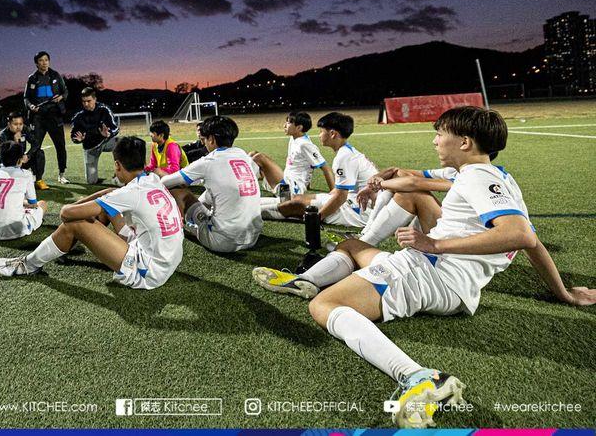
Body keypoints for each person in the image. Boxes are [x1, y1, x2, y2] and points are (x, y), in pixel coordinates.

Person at [251, 106, 596, 428]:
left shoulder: (477, 178)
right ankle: (306, 280)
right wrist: (564, 293)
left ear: (464, 142)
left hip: (432, 272)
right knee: (353, 246)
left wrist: (436, 244)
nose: (434, 139)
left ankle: (417, 377)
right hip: (443, 274)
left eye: (440, 133)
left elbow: (518, 234)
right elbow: (531, 240)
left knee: (325, 306)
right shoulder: (491, 176)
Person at [0, 137, 183, 290]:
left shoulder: (130, 192)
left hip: (149, 271)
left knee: (75, 223)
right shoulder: (153, 179)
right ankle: (59, 248)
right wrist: (106, 198)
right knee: (107, 211)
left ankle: (29, 264)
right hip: (167, 259)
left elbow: (66, 213)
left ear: (117, 165)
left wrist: (102, 194)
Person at [160, 115, 263, 253]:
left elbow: (165, 182)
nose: (204, 144)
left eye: (204, 139)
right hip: (253, 237)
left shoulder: (209, 161)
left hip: (224, 241)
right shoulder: (242, 155)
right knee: (215, 189)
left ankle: (179, 223)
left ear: (212, 139)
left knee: (178, 189)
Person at [259, 112, 378, 228]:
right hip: (353, 201)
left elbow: (341, 197)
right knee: (297, 198)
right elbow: (339, 191)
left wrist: (318, 217)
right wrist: (325, 196)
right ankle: (254, 204)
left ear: (332, 134)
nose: (319, 135)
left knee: (296, 205)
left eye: (321, 131)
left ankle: (254, 211)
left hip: (357, 211)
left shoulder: (344, 157)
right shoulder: (347, 151)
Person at [249, 111, 334, 199]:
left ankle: (243, 187)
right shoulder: (294, 138)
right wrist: (307, 183)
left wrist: (334, 194)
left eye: (288, 122)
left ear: (299, 127)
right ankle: (249, 181)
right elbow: (307, 164)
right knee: (253, 154)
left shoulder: (304, 144)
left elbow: (326, 169)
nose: (284, 125)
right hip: (284, 183)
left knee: (259, 158)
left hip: (291, 191)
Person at [0, 141, 47, 240]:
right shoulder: (26, 174)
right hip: (18, 229)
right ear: (20, 160)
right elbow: (33, 204)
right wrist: (23, 203)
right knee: (42, 204)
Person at [24, 51, 68, 184]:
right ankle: (33, 174)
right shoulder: (32, 78)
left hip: (55, 116)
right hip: (38, 117)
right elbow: (26, 98)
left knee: (60, 146)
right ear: (37, 63)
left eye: (46, 60)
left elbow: (65, 91)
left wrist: (60, 97)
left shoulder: (55, 75)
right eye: (41, 60)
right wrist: (31, 107)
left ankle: (61, 174)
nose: (44, 63)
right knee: (35, 146)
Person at [69, 87, 120, 184]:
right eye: (83, 101)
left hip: (105, 141)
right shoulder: (78, 115)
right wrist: (78, 140)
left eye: (89, 101)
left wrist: (109, 134)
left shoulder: (104, 109)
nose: (86, 104)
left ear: (95, 99)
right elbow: (73, 136)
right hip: (90, 147)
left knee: (120, 143)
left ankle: (119, 173)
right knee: (91, 181)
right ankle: (94, 177)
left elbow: (115, 128)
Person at [0, 112, 48, 190]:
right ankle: (14, 179)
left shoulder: (24, 129)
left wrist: (28, 155)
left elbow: (36, 143)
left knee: (39, 153)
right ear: (9, 124)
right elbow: (6, 155)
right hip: (7, 163)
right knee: (16, 185)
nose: (18, 127)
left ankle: (38, 180)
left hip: (21, 160)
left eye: (20, 124)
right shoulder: (2, 135)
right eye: (15, 124)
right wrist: (16, 141)